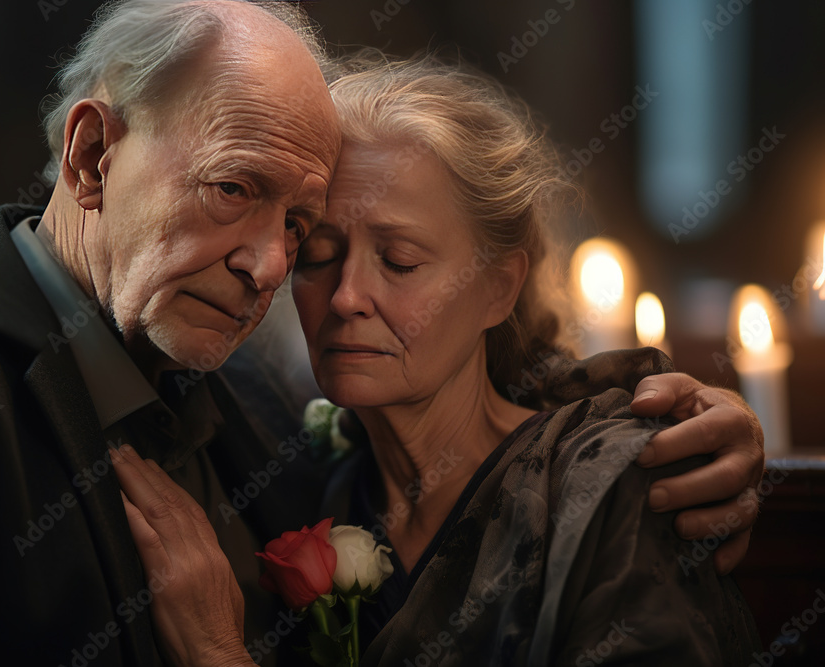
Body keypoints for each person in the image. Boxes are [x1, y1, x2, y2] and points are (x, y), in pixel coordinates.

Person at [0, 2, 758, 664]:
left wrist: (676, 433)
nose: (273, 269)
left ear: (499, 284)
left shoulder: (266, 415)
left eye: (294, 227)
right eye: (235, 190)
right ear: (92, 154)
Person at [115, 52, 761, 665]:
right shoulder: (307, 481)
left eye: (399, 261)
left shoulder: (614, 485)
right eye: (316, 254)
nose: (344, 297)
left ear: (499, 287)